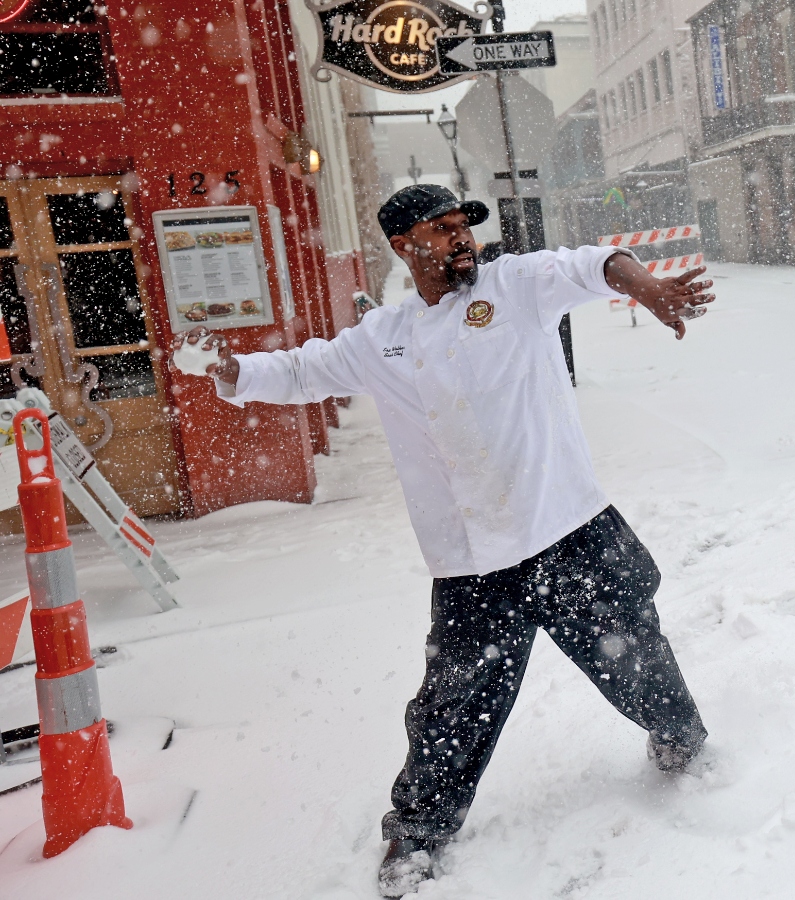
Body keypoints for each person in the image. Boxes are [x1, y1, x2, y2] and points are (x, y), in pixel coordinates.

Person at [172, 185, 715, 897]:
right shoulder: (383, 338)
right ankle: (418, 835)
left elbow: (593, 265)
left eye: (465, 226)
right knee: (454, 705)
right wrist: (232, 371)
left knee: (634, 650)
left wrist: (645, 286)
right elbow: (307, 369)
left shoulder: (513, 286)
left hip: (566, 528)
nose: (462, 239)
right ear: (404, 247)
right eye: (443, 229)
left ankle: (682, 742)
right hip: (471, 561)